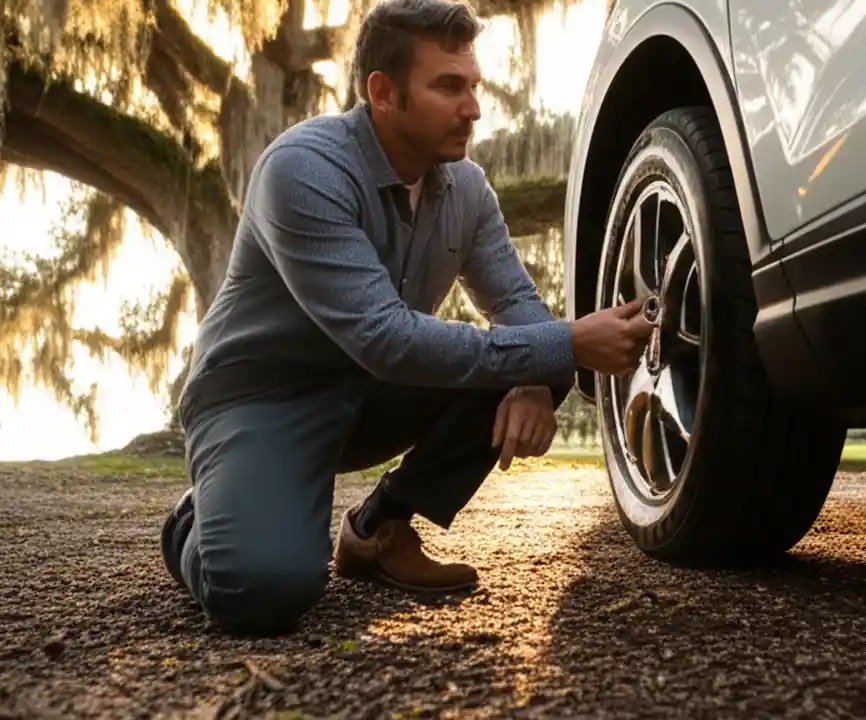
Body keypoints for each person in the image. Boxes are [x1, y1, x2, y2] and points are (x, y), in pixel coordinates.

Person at [159, 0, 654, 636]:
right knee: (263, 590)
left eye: (473, 85)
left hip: (372, 396)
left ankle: (379, 529)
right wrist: (566, 345)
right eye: (448, 86)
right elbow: (385, 339)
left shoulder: (466, 188)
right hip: (263, 397)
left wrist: (536, 378)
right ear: (383, 92)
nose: (473, 107)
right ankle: (195, 523)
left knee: (542, 353)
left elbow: (518, 307)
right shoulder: (303, 169)